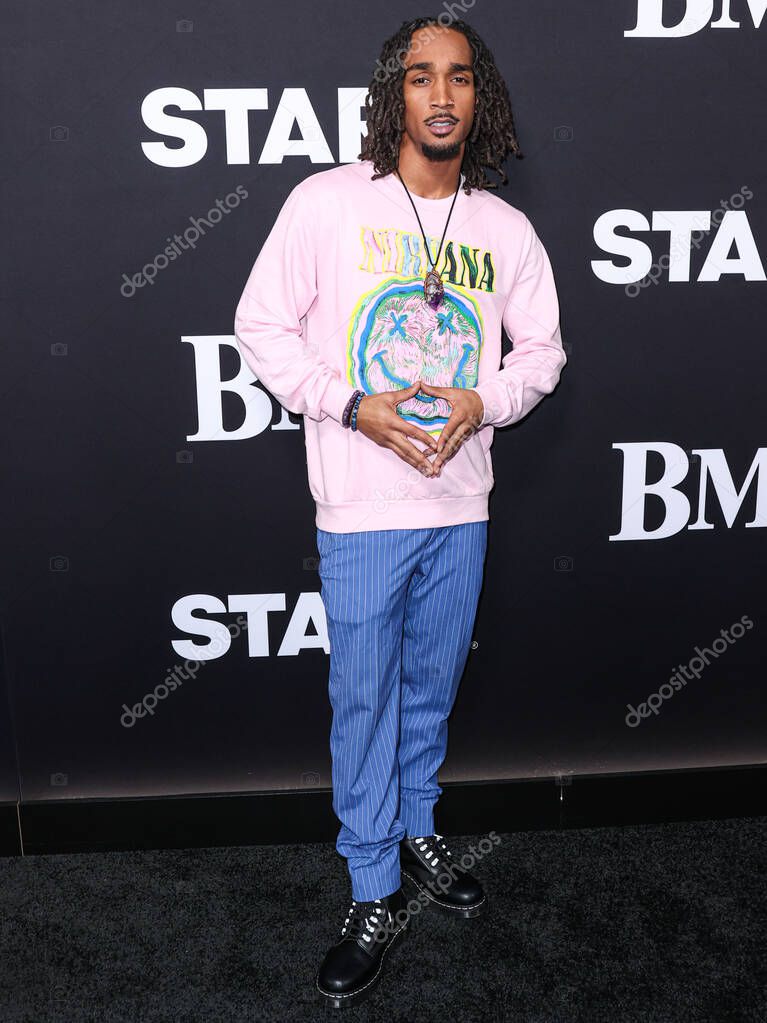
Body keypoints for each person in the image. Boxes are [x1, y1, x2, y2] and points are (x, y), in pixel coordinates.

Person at [234, 14, 567, 1008]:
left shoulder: (503, 231)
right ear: (393, 94)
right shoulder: (326, 204)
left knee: (426, 693)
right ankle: (371, 885)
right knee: (364, 702)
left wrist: (483, 401)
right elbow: (258, 326)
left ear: (479, 99)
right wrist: (349, 403)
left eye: (458, 78)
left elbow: (539, 354)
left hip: (459, 505)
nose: (438, 95)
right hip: (362, 508)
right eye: (419, 76)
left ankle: (415, 827)